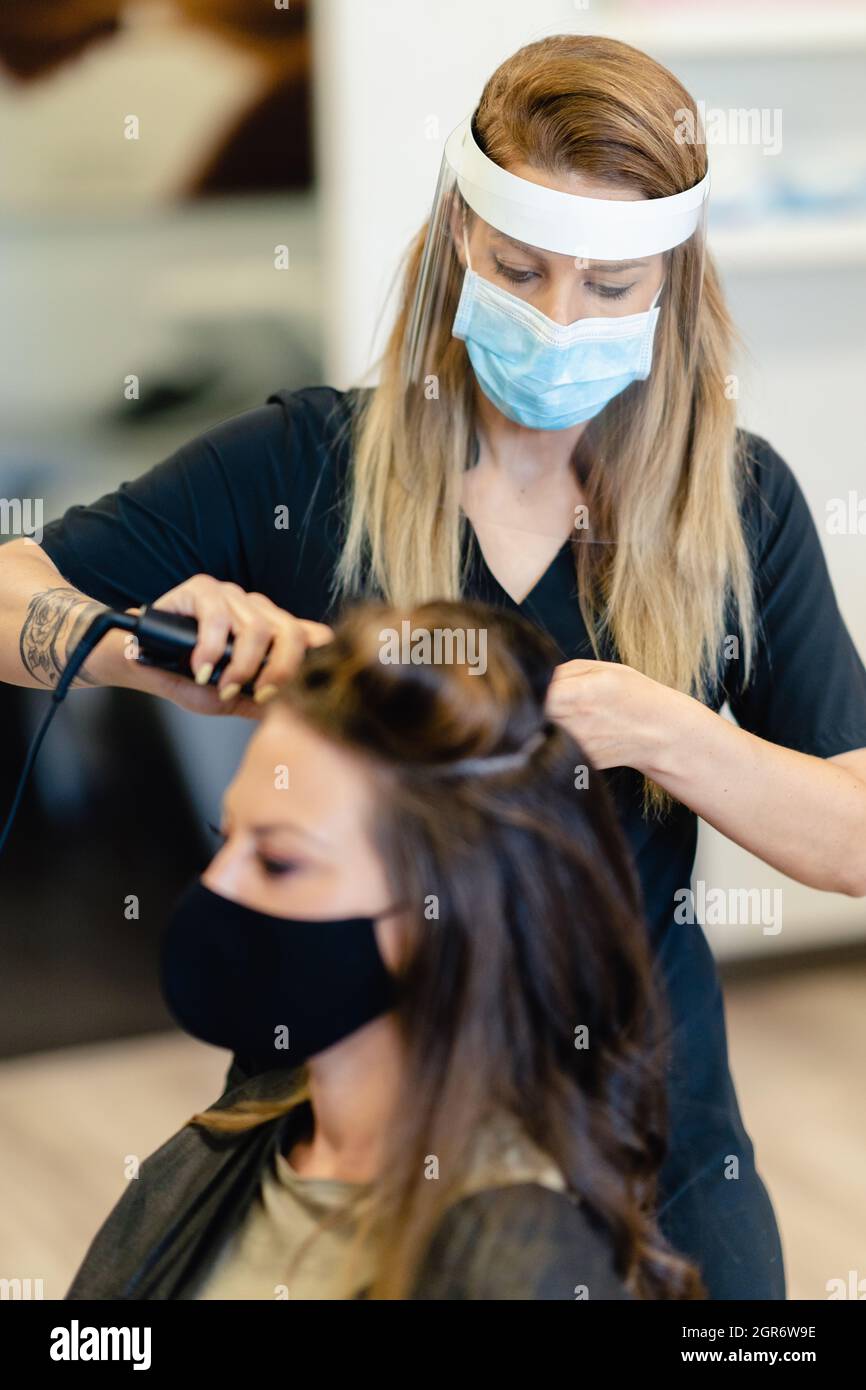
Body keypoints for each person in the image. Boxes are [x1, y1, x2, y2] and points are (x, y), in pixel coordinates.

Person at [2, 33, 866, 1298]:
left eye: (611, 284)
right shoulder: (309, 465)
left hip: (645, 1127)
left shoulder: (734, 508)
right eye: (520, 268)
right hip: (345, 1111)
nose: (556, 317)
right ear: (460, 237)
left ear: (671, 288)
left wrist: (670, 733)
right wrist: (143, 654)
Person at [65, 600, 701, 1301]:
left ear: (441, 914)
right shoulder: (245, 1135)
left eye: (278, 862)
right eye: (227, 838)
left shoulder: (521, 1265)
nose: (217, 885)